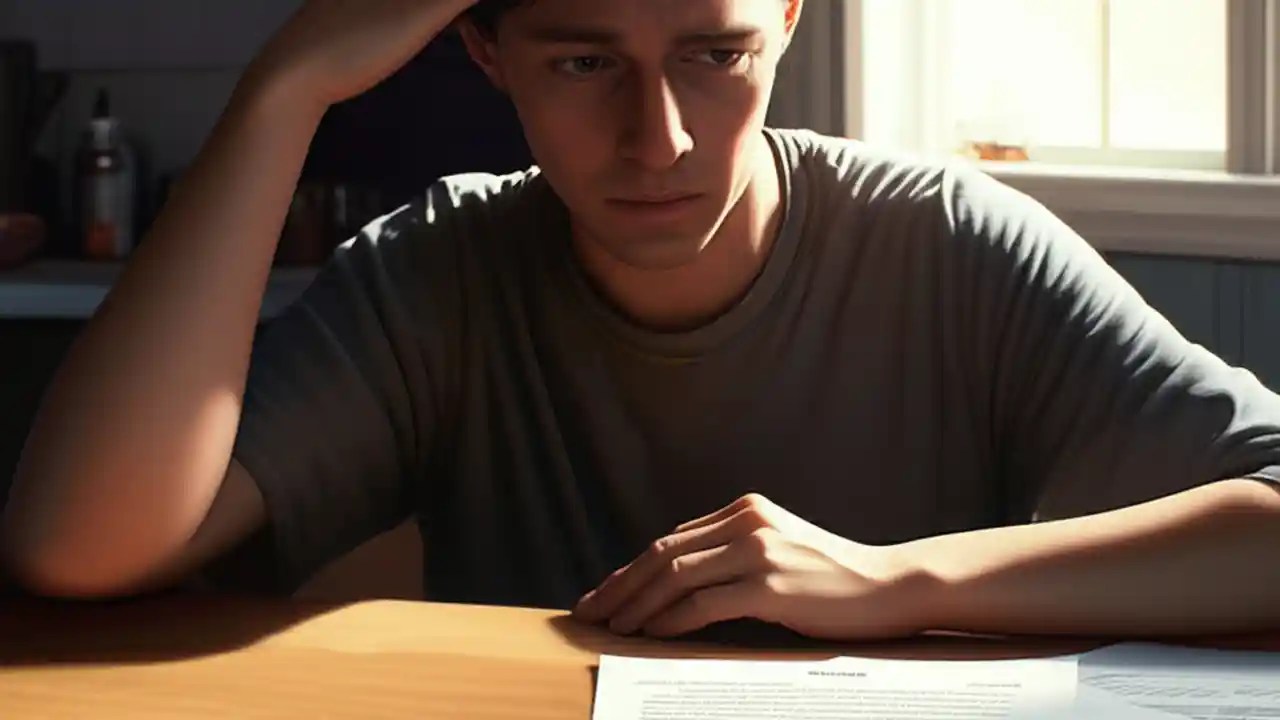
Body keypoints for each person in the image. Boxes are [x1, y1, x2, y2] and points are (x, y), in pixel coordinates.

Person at [3, 0, 1280, 642]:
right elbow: (77, 549)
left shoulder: (945, 240)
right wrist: (286, 87)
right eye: (581, 62)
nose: (655, 140)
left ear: (784, 19)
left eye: (712, 55)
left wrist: (899, 581)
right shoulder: (441, 270)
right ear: (489, 57)